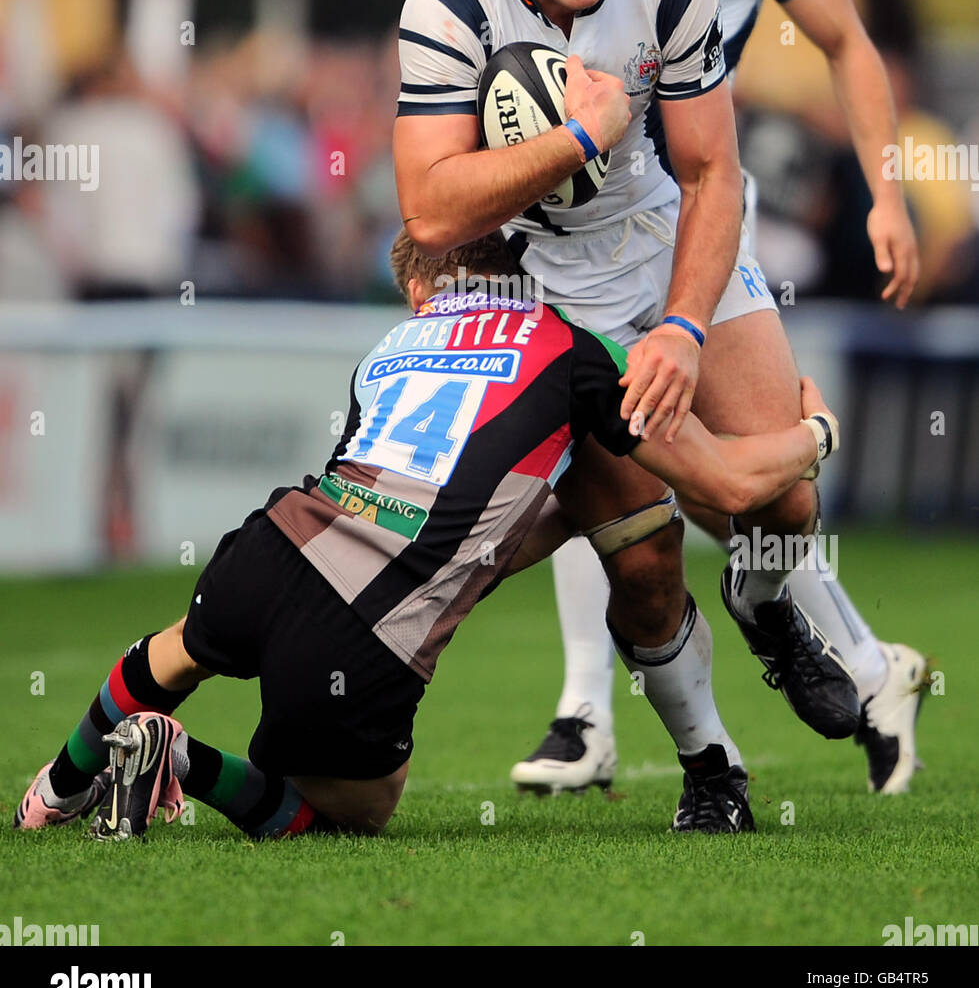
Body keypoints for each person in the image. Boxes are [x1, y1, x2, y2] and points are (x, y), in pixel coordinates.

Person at [13, 231, 842, 840]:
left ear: (422, 292)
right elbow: (727, 484)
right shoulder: (572, 350)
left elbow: (451, 509)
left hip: (274, 542)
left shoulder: (390, 347)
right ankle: (182, 759)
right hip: (361, 636)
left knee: (180, 648)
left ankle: (51, 791)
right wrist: (814, 431)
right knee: (356, 811)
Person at [395, 0, 862, 812]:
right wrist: (575, 137)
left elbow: (710, 172)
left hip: (663, 234)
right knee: (642, 554)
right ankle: (711, 770)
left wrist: (683, 330)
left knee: (779, 505)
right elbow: (430, 206)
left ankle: (763, 603)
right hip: (532, 283)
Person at [512, 0, 926, 800]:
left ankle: (829, 641)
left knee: (755, 495)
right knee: (593, 452)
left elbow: (846, 41)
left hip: (697, 219)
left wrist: (888, 193)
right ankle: (584, 709)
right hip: (566, 232)